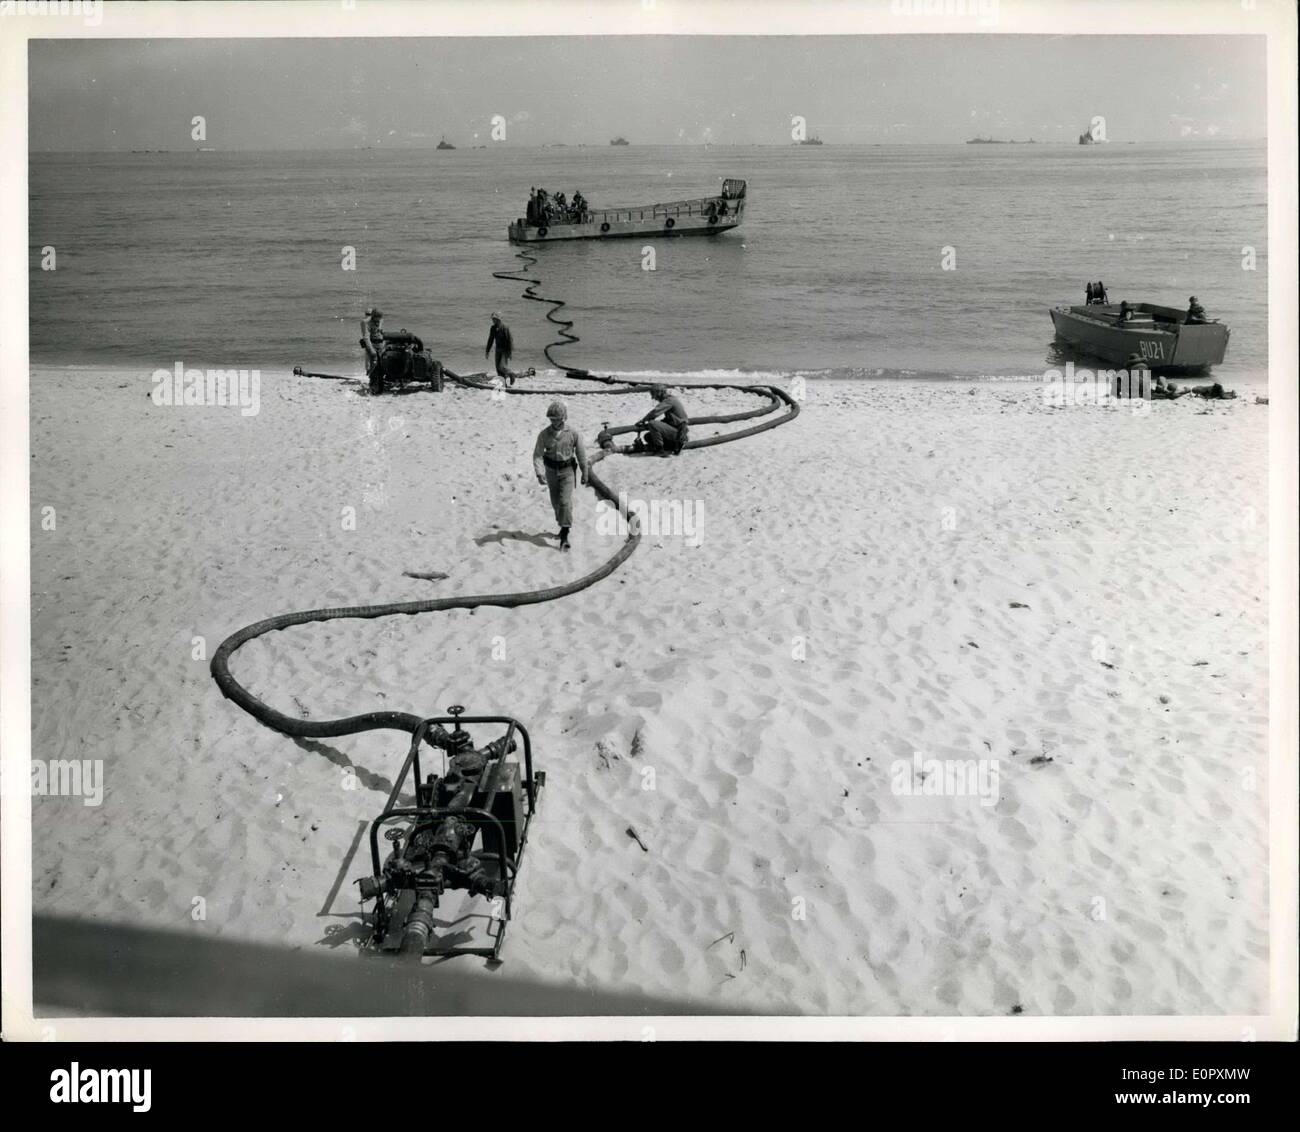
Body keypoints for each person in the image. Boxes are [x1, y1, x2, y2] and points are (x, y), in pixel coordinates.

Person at [533, 401, 589, 551]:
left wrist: (585, 472)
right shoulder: (544, 435)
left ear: (564, 418)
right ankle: (563, 524)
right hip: (551, 471)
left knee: (565, 502)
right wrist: (539, 473)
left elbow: (581, 454)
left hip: (567, 471)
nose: (554, 422)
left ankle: (564, 535)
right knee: (556, 503)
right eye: (551, 419)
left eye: (557, 419)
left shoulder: (573, 433)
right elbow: (538, 455)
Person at [636, 384, 690, 455]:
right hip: (678, 431)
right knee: (648, 437)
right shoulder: (671, 399)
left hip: (679, 432)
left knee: (652, 423)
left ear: (659, 393)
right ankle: (672, 446)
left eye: (653, 394)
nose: (653, 398)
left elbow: (655, 412)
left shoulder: (669, 401)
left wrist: (643, 420)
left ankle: (660, 450)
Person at [485, 312, 533, 385]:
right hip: (498, 350)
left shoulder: (505, 328)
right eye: (492, 319)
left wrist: (509, 353)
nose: (493, 320)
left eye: (494, 319)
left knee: (502, 367)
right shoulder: (493, 328)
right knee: (498, 369)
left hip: (505, 350)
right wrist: (487, 351)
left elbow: (510, 341)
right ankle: (504, 384)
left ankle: (511, 375)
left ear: (498, 319)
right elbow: (490, 340)